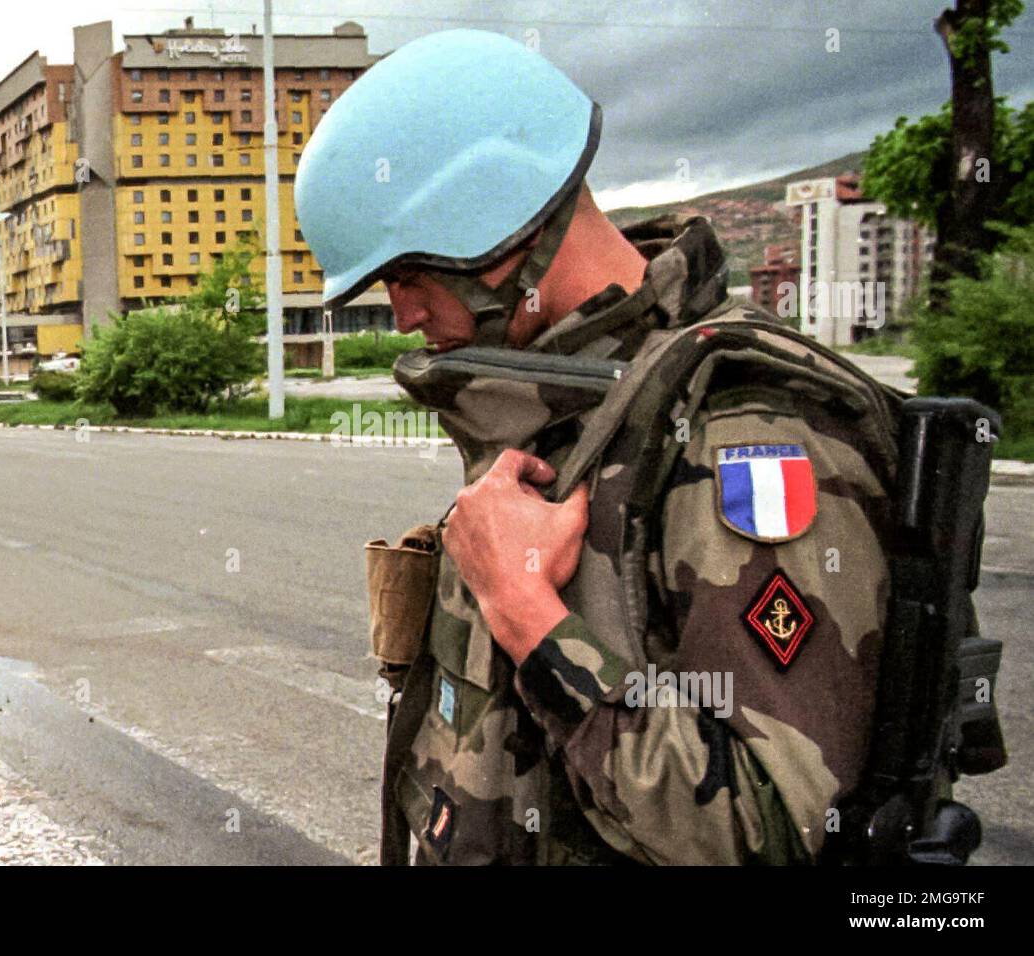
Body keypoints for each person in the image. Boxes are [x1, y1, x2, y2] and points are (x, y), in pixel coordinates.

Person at [295, 29, 904, 865]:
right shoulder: (573, 399)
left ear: (497, 222)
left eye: (408, 275)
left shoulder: (749, 430)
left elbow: (760, 828)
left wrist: (526, 615)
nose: (401, 316)